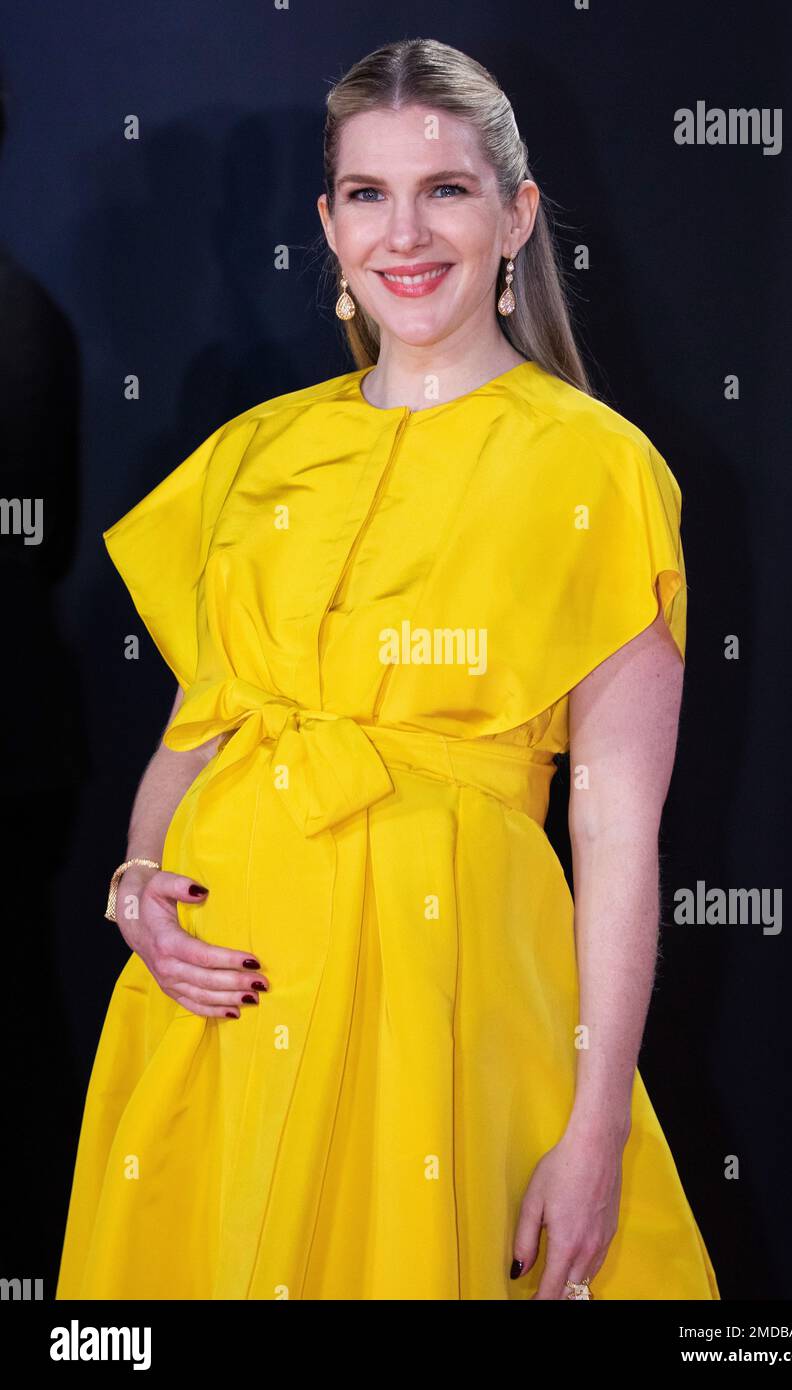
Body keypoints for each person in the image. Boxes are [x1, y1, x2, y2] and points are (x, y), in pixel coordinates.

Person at [56, 38, 720, 1301]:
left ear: (516, 214)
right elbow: (193, 742)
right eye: (367, 193)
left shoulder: (598, 471)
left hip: (449, 1016)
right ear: (328, 220)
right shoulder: (256, 452)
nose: (403, 233)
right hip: (222, 1013)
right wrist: (139, 884)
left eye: (446, 190)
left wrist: (591, 1135)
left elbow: (619, 842)